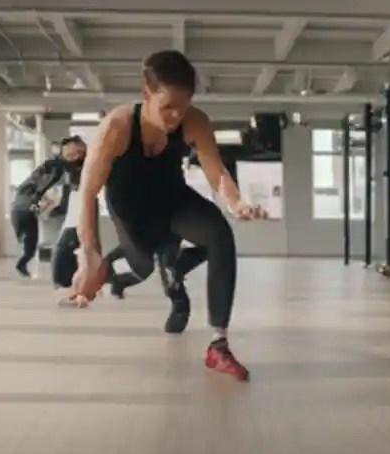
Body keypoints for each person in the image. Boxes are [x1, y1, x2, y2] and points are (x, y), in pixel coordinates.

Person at [67, 50, 265, 381]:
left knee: (219, 233)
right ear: (146, 95)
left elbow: (216, 173)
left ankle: (218, 345)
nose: (175, 116)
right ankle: (114, 273)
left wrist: (236, 203)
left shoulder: (195, 122)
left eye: (182, 107)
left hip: (173, 199)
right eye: (167, 107)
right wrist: (89, 256)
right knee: (142, 266)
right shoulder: (116, 127)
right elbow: (87, 192)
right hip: (131, 211)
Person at [10, 136, 86, 277]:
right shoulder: (57, 169)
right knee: (32, 242)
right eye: (71, 154)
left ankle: (24, 262)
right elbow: (46, 188)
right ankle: (25, 262)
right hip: (25, 207)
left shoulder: (59, 168)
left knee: (31, 243)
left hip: (22, 207)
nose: (75, 156)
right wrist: (39, 203)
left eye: (78, 153)